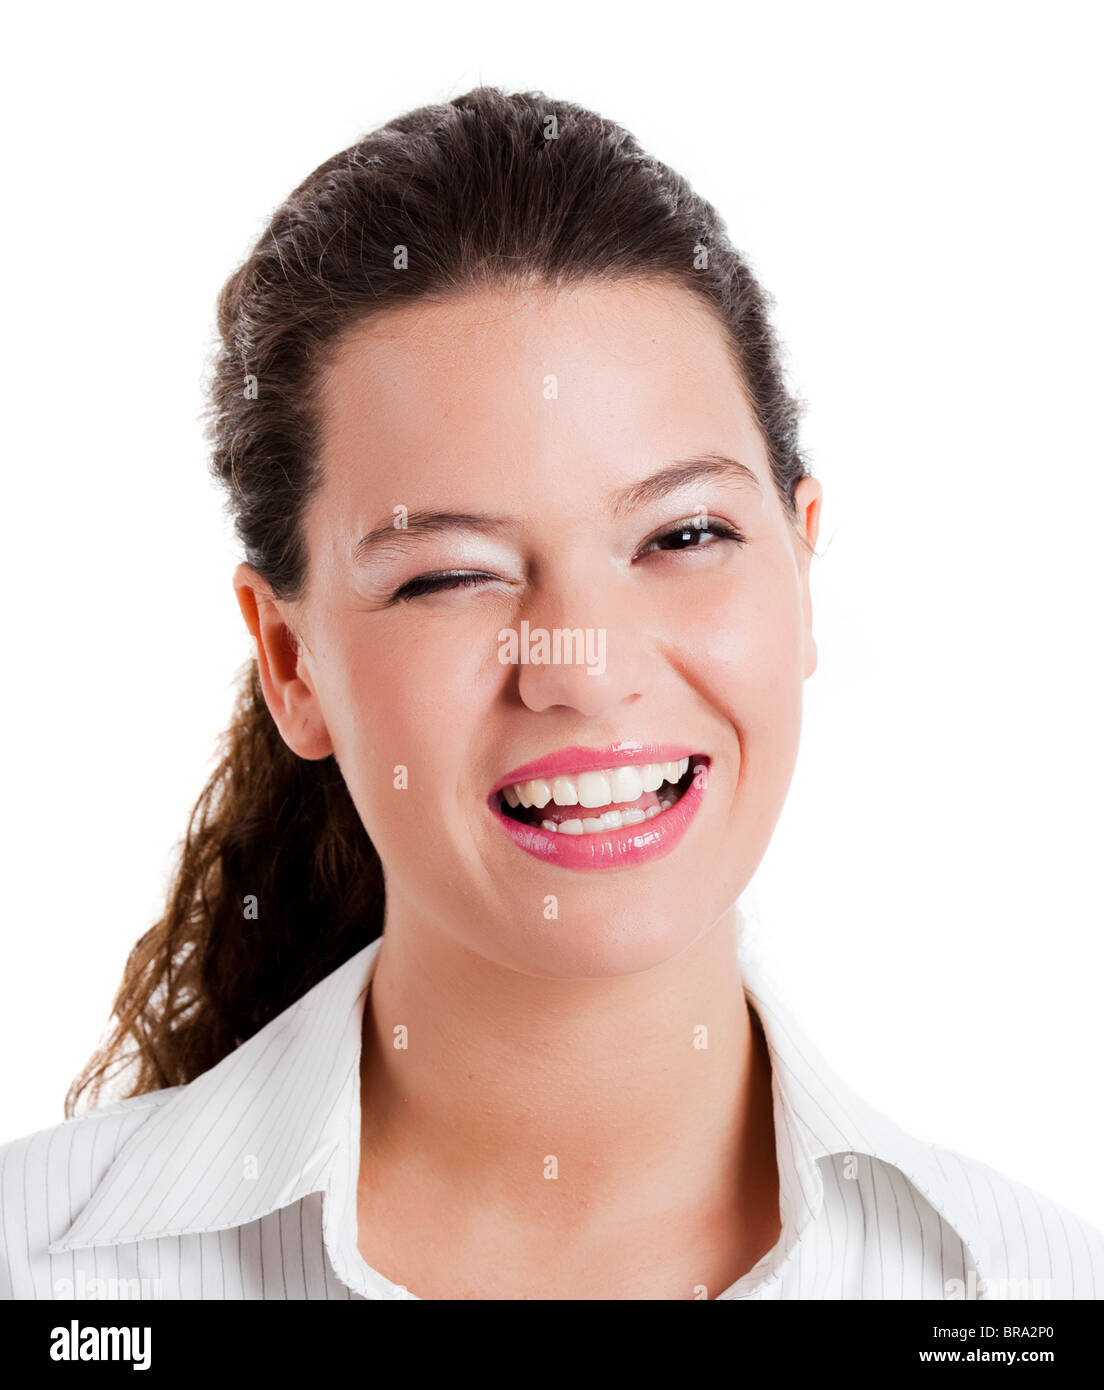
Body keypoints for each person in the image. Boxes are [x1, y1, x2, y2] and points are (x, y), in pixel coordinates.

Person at [1, 86, 1100, 1301]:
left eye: (684, 535)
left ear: (802, 562)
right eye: (450, 575)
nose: (586, 667)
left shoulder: (1024, 1297)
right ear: (292, 662)